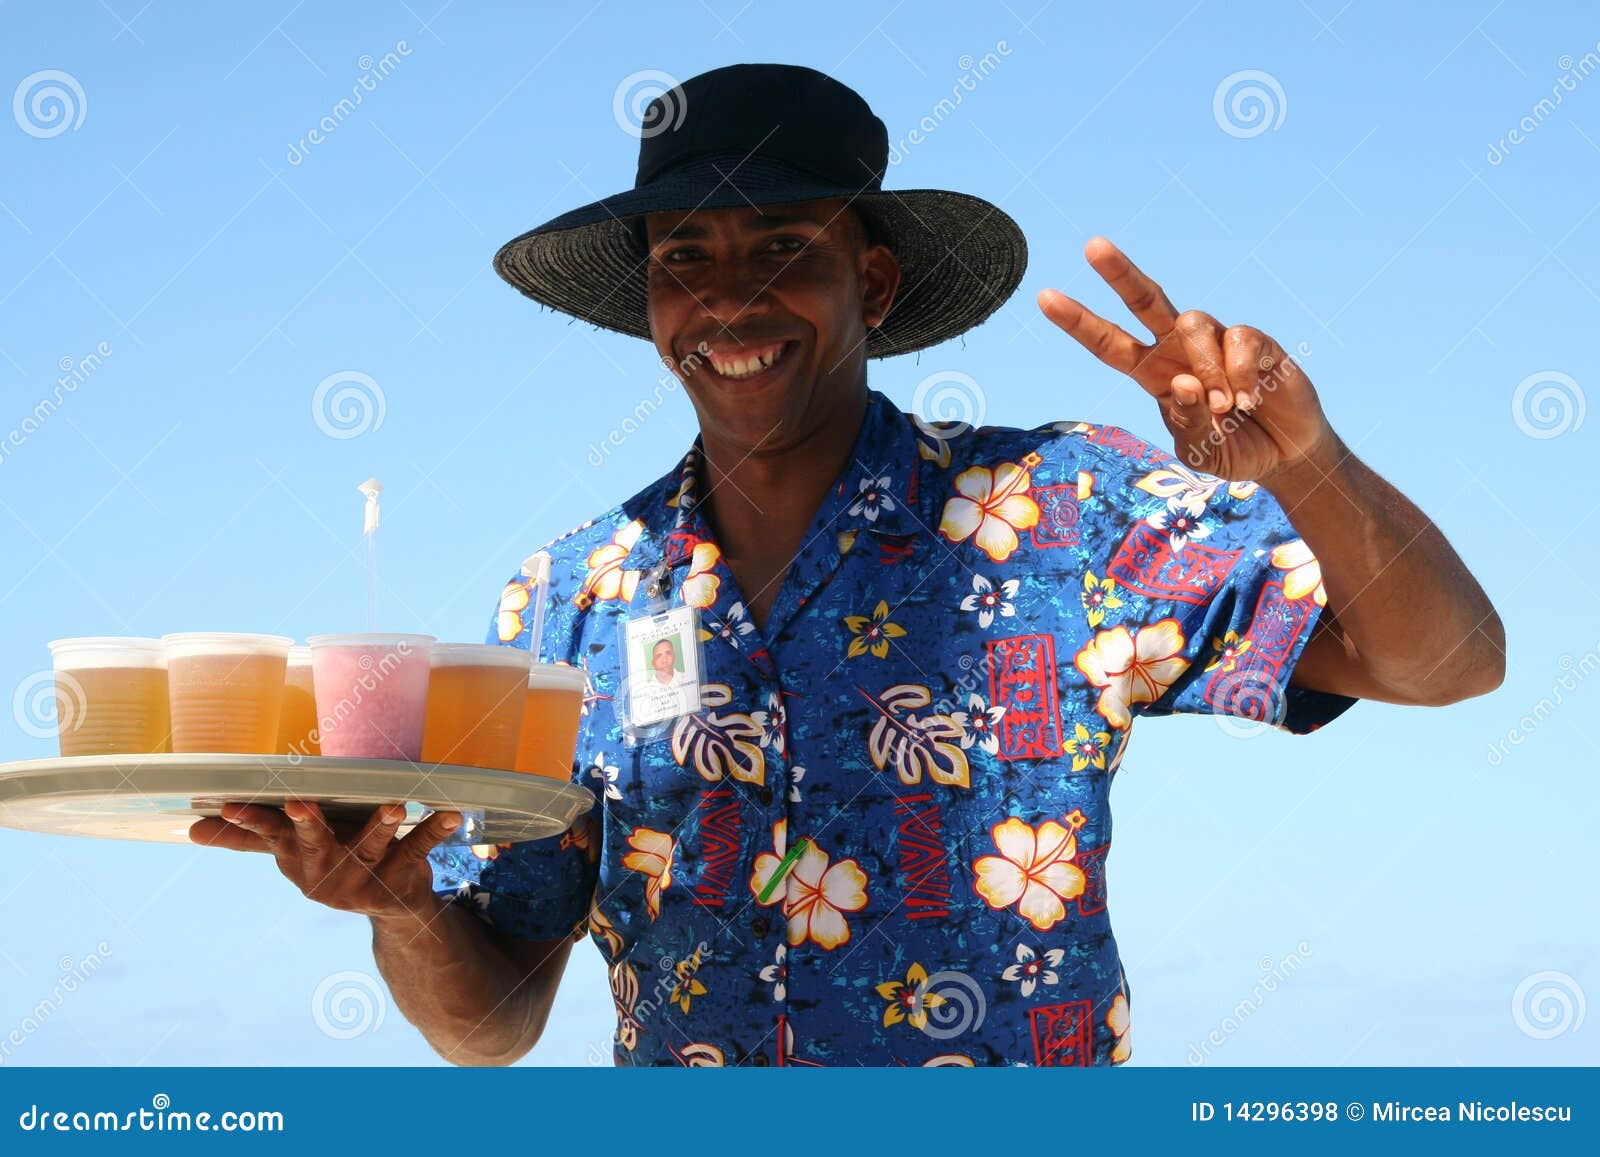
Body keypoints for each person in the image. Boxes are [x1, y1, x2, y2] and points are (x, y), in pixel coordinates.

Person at [192, 64, 1503, 1067]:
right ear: (650, 304)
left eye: (781, 250)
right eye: (685, 259)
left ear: (869, 282)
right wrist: (405, 904)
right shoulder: (569, 600)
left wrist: (1307, 460)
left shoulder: (1062, 510)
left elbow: (1447, 660)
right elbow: (492, 1022)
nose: (729, 299)